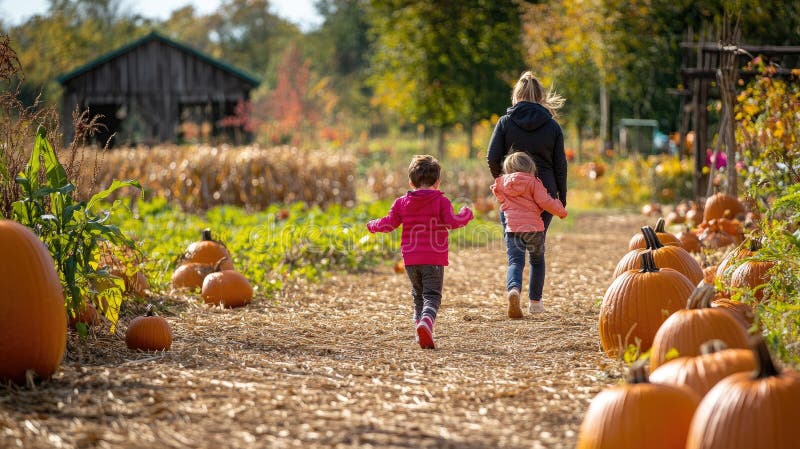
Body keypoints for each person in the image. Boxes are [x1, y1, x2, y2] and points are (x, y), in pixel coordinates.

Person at [367, 155, 474, 349]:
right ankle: (426, 322)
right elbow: (452, 222)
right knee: (432, 295)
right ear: (438, 182)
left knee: (418, 295)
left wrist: (372, 225)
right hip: (434, 258)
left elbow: (389, 223)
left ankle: (420, 330)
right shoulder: (441, 201)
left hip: (410, 259)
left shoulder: (401, 203)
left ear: (410, 181)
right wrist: (466, 215)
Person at [486, 71, 568, 317]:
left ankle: (514, 290)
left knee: (515, 254)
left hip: (513, 195)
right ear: (541, 97)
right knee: (537, 254)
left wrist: (503, 182)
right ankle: (536, 303)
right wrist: (560, 197)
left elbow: (492, 157)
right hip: (545, 193)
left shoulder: (505, 122)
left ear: (516, 95)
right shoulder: (552, 126)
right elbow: (560, 164)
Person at [491, 152, 567, 317]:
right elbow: (545, 202)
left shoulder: (502, 183)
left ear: (507, 169)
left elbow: (499, 198)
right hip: (534, 229)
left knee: (515, 263)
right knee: (537, 262)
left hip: (513, 230)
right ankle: (535, 303)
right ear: (531, 168)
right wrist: (561, 211)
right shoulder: (533, 183)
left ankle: (514, 290)